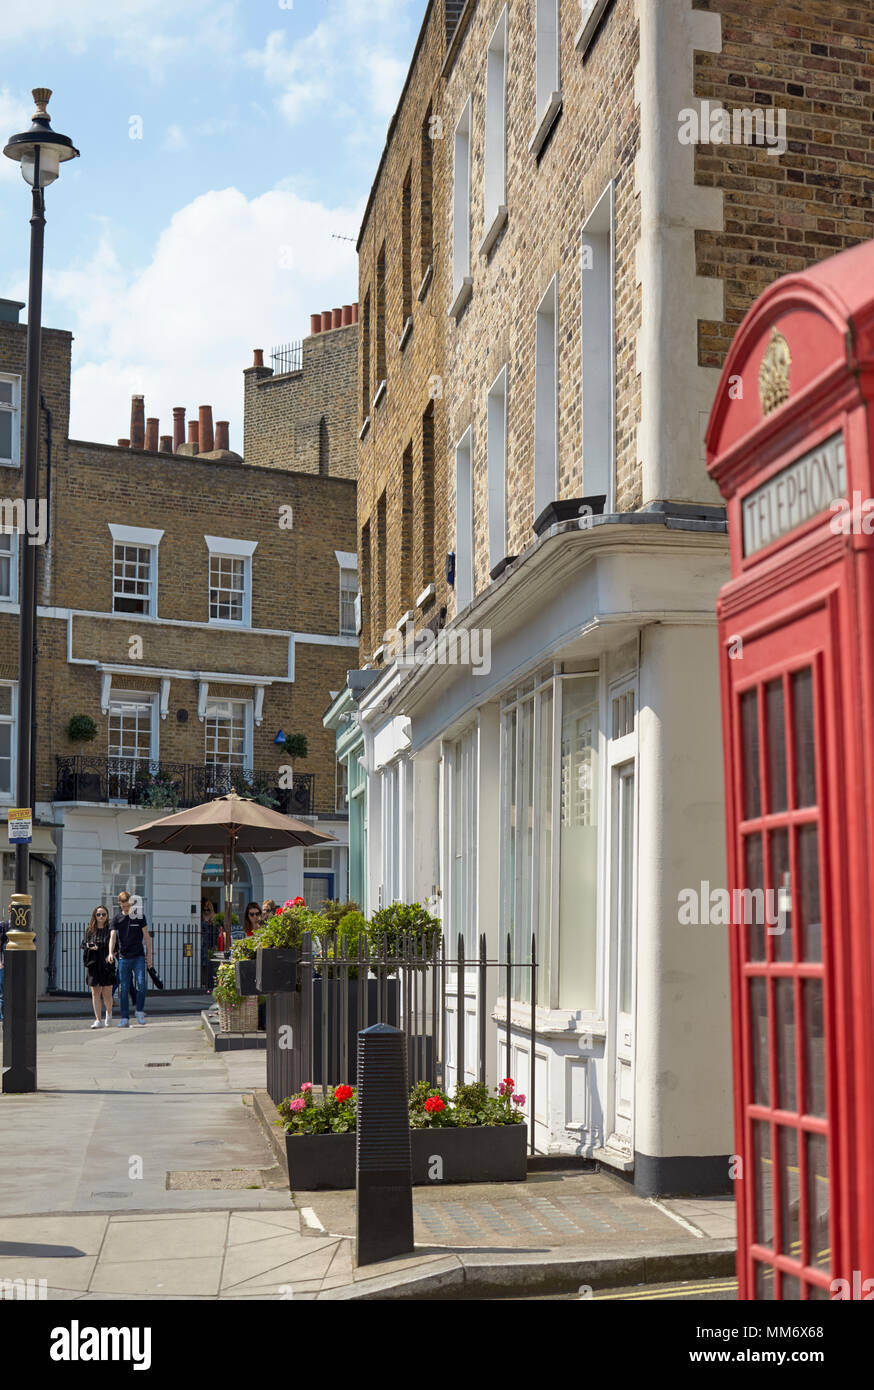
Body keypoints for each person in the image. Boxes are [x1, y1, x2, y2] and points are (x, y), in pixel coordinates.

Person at [107, 891, 153, 1027]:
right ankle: (125, 1018)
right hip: (124, 958)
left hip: (138, 956)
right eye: (124, 906)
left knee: (142, 984)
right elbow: (113, 937)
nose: (127, 908)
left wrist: (149, 955)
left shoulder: (139, 917)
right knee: (124, 988)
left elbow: (147, 937)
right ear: (119, 904)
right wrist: (110, 952)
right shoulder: (116, 919)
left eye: (129, 905)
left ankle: (139, 1010)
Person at [82, 905, 115, 1028]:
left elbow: (116, 947)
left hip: (106, 964)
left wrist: (111, 955)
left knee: (107, 993)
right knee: (95, 992)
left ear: (107, 916)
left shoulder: (110, 930)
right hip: (93, 964)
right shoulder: (90, 930)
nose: (101, 917)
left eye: (103, 914)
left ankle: (109, 1012)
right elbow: (83, 944)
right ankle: (98, 1020)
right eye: (98, 914)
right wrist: (91, 946)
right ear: (94, 916)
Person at [0, 907, 8, 1023]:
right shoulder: (3, 926)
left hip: (17, 966)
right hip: (4, 964)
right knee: (2, 992)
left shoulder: (27, 928)